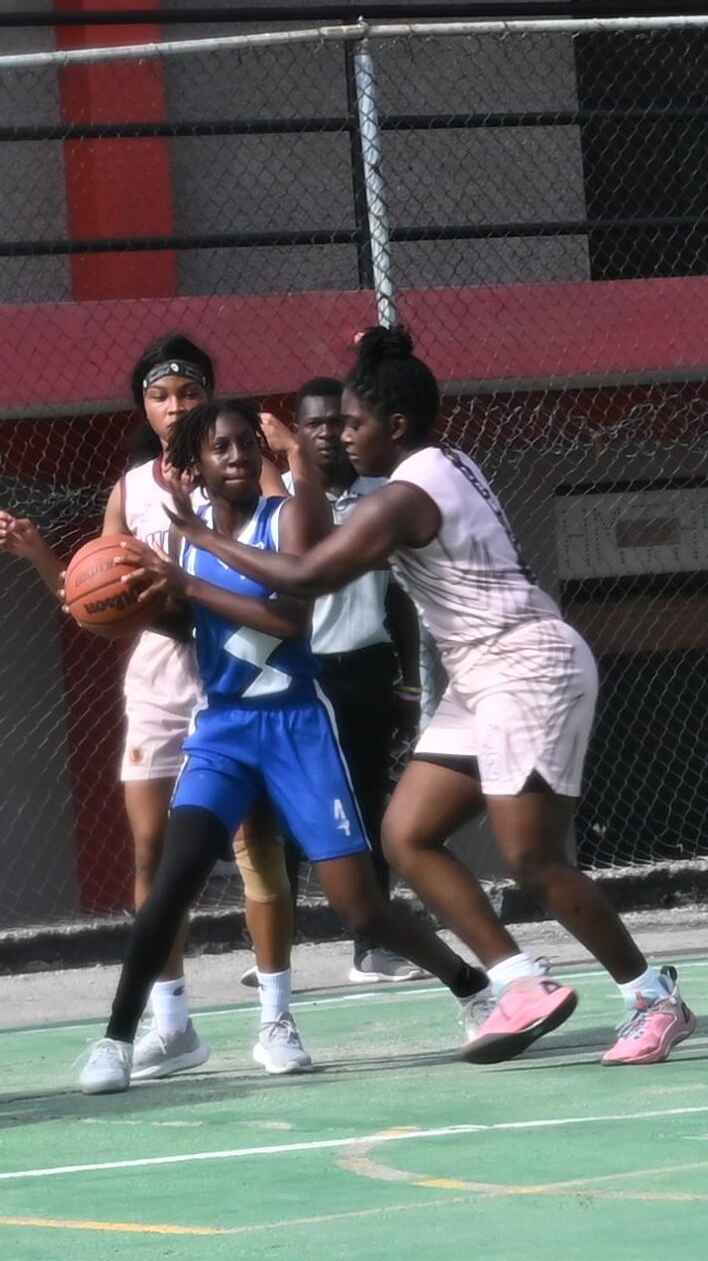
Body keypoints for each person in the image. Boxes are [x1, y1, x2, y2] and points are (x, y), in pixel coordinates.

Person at [166, 328, 698, 1068]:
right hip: (482, 674)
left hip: (527, 668)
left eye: (353, 425)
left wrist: (195, 548)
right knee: (407, 834)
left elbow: (309, 574)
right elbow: (319, 533)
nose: (343, 437)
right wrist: (293, 467)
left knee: (532, 857)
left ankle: (653, 996)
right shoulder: (440, 465)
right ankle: (519, 985)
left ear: (398, 427)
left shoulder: (408, 495)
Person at [77, 397, 493, 1094]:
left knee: (359, 907)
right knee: (171, 883)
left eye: (247, 444)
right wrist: (129, 601)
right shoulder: (189, 535)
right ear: (196, 466)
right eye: (222, 448)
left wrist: (188, 576)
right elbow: (196, 627)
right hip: (225, 728)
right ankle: (117, 1040)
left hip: (298, 724)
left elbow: (287, 621)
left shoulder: (289, 516)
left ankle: (471, 985)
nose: (239, 456)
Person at [0, 335, 307, 1079]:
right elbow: (92, 602)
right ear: (144, 407)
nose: (175, 408)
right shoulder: (131, 488)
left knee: (256, 850)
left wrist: (288, 463)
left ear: (209, 399)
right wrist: (42, 557)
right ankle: (172, 1027)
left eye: (188, 394)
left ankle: (278, 1020)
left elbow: (291, 552)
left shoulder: (244, 465)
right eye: (161, 397)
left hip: (241, 676)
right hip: (161, 687)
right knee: (152, 856)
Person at [270, 377, 427, 985]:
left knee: (366, 805)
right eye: (315, 425)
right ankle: (274, 956)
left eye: (340, 422)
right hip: (300, 670)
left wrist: (410, 683)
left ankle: (372, 947)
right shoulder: (278, 498)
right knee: (283, 811)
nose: (330, 434)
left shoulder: (384, 495)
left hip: (364, 668)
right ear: (296, 432)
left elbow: (400, 602)